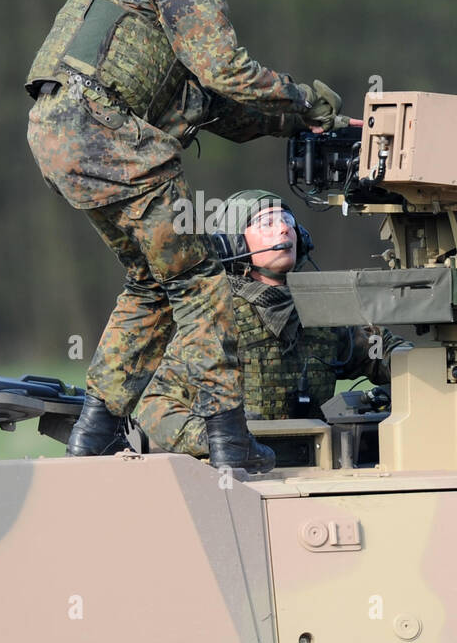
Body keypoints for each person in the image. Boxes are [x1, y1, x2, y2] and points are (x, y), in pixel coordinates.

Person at [24, 0, 348, 473]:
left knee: (153, 282)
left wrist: (294, 125)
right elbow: (228, 71)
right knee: (201, 281)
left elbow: (208, 103)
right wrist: (306, 100)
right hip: (106, 135)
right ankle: (229, 440)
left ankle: (94, 433)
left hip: (63, 135)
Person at [132, 190, 405, 459]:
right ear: (235, 244)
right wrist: (214, 439)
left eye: (288, 221)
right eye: (267, 223)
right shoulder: (213, 317)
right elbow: (155, 407)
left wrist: (428, 366)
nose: (284, 230)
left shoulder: (322, 311)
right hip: (239, 473)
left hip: (315, 468)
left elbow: (385, 353)